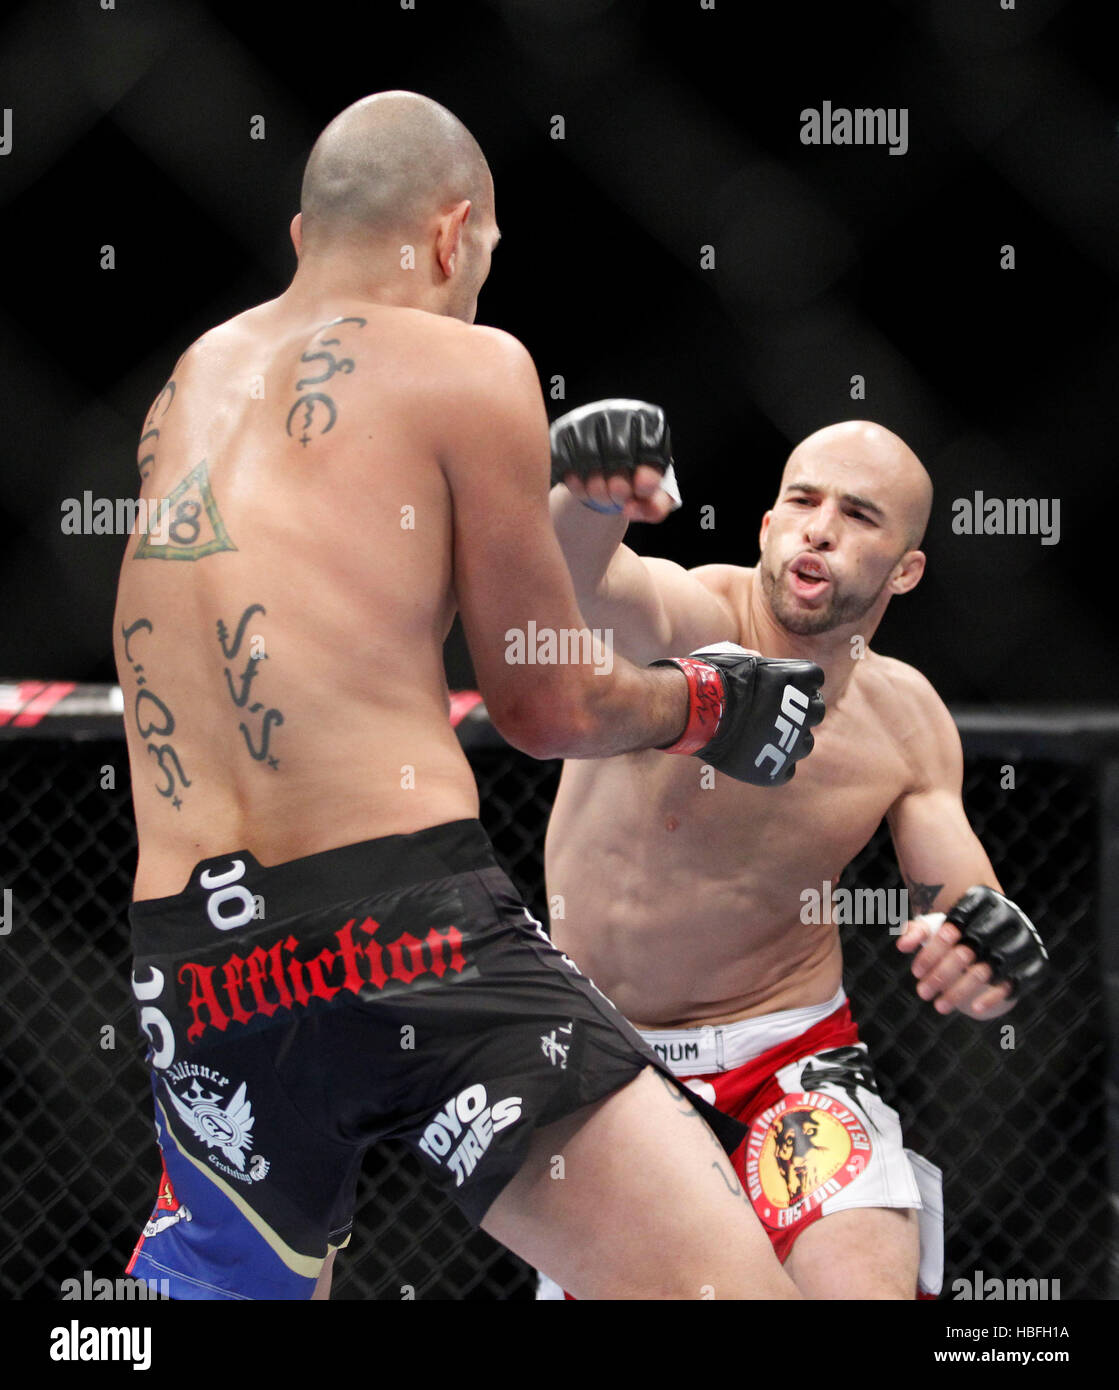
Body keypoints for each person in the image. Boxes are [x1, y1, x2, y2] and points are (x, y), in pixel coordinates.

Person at [113, 93, 825, 1301]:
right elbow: (544, 701)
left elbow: (335, 616)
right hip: (398, 925)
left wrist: (573, 515)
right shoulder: (472, 360)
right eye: (482, 263)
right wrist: (706, 702)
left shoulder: (189, 384)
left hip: (195, 967)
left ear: (303, 236)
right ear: (452, 239)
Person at [540, 402, 1048, 1299]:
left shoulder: (905, 720)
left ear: (907, 568)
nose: (819, 529)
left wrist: (979, 951)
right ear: (767, 525)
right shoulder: (695, 620)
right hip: (604, 1064)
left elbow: (961, 901)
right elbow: (589, 580)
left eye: (857, 516)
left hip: (787, 1058)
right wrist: (589, 494)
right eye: (803, 502)